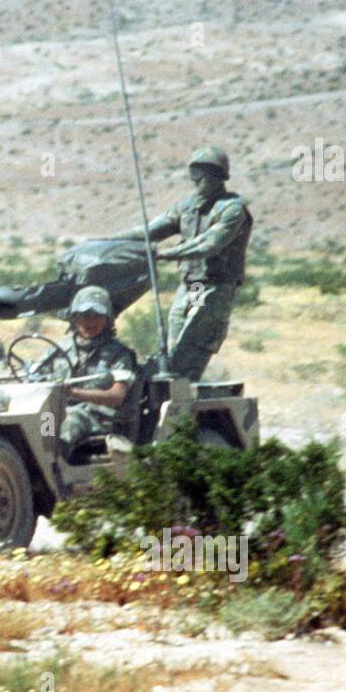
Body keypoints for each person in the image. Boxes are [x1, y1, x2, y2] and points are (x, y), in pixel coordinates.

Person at [113, 145, 252, 380]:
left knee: (194, 343)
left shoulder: (232, 209)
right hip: (193, 285)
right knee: (173, 347)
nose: (200, 179)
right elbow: (150, 231)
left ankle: (183, 390)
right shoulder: (187, 208)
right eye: (196, 172)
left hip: (215, 286)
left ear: (220, 176)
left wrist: (164, 255)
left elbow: (208, 245)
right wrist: (109, 241)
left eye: (206, 173)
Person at [48, 286, 139, 461]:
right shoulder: (59, 350)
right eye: (85, 315)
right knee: (40, 425)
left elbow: (117, 396)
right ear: (75, 318)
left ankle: (51, 469)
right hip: (59, 412)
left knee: (65, 426)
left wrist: (73, 393)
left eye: (97, 316)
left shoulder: (120, 354)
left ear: (107, 319)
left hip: (100, 420)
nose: (91, 322)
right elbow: (31, 378)